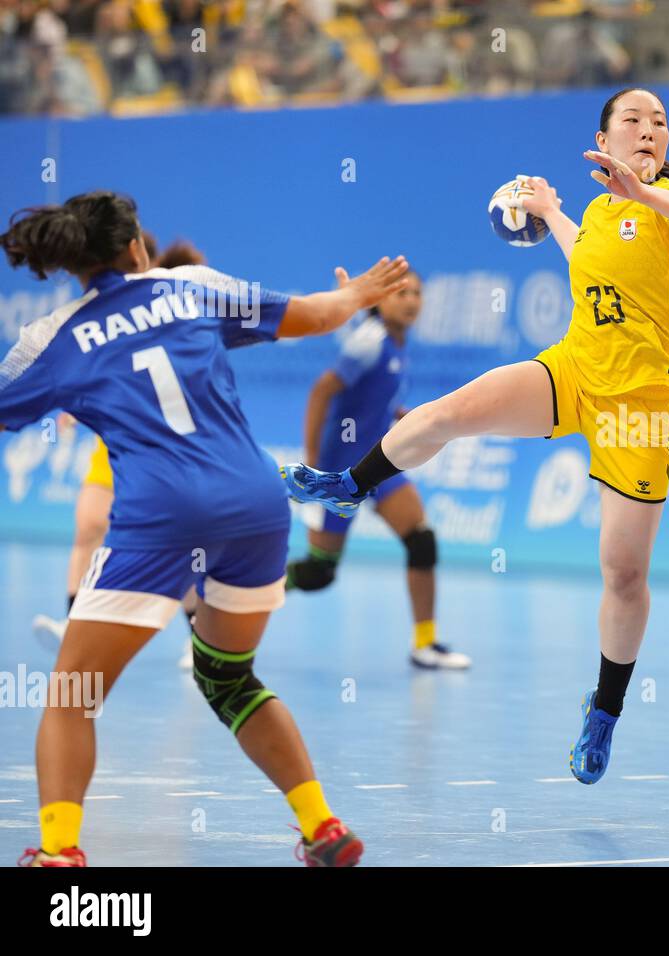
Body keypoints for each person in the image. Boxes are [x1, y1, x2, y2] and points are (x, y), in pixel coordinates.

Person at [280, 86, 669, 784]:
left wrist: (647, 191)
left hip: (639, 404)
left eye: (660, 121)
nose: (649, 130)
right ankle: (347, 486)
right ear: (602, 139)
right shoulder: (607, 209)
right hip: (574, 368)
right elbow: (594, 263)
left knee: (624, 573)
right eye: (633, 120)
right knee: (450, 412)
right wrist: (552, 214)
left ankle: (603, 711)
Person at [1, 190, 409, 866]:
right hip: (254, 508)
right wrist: (360, 293)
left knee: (72, 693)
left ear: (75, 262)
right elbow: (311, 315)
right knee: (229, 678)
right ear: (137, 246)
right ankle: (322, 827)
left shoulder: (53, 338)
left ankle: (59, 853)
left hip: (160, 516)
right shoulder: (189, 287)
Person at [32, 236, 209, 669]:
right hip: (111, 450)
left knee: (180, 551)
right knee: (89, 526)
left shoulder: (172, 318)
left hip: (163, 456)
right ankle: (74, 625)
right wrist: (72, 408)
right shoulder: (95, 321)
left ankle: (200, 642)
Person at [285, 273, 470, 669]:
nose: (412, 301)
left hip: (378, 467)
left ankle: (425, 643)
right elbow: (322, 391)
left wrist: (400, 417)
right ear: (381, 301)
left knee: (422, 541)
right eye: (402, 293)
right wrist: (313, 460)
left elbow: (372, 404)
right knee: (318, 572)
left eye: (417, 293)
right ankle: (230, 598)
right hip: (336, 473)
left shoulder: (399, 346)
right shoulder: (368, 341)